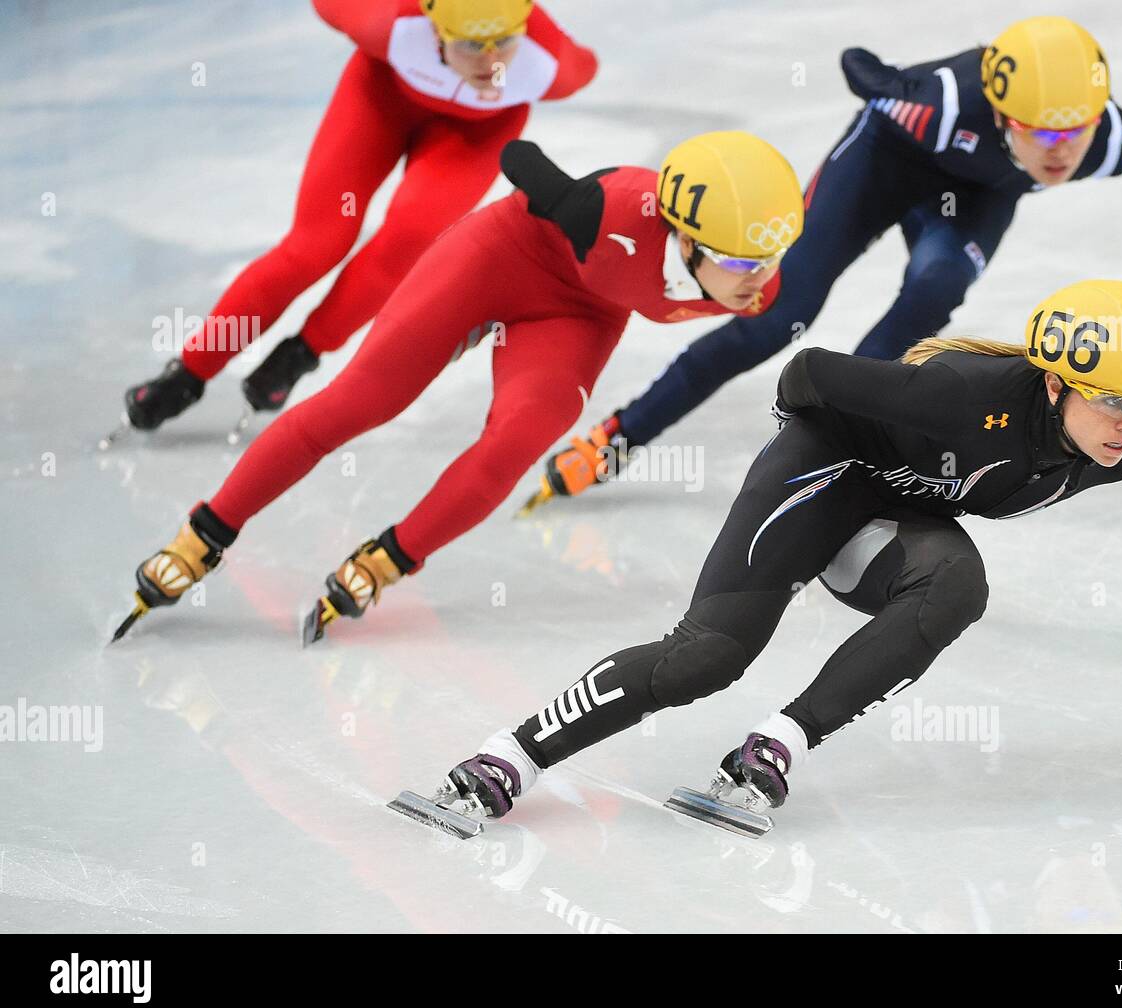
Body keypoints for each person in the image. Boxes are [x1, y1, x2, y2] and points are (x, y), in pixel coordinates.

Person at [411, 280, 1122, 834]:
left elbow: (945, 495)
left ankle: (771, 747)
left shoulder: (1107, 459)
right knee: (706, 658)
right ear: (1055, 384)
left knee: (957, 585)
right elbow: (809, 371)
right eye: (1113, 400)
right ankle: (507, 757)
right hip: (817, 475)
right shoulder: (961, 396)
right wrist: (790, 479)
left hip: (888, 514)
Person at [111, 131, 806, 643]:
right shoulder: (612, 213)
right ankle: (205, 534)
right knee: (362, 400)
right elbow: (520, 158)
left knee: (524, 434)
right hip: (497, 258)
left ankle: (389, 556)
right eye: (743, 257)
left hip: (577, 314)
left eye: (771, 255)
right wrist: (558, 196)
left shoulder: (753, 286)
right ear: (683, 237)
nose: (759, 276)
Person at [525, 16, 1122, 511]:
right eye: (1043, 135)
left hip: (974, 198)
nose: (1061, 153)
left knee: (937, 282)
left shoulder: (1109, 145)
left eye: (1075, 134)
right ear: (1002, 115)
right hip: (888, 162)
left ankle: (834, 433)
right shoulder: (941, 103)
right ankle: (622, 435)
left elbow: (1071, 138)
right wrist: (877, 78)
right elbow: (859, 65)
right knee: (777, 316)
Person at [117, 0, 596, 436]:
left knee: (410, 237)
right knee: (313, 248)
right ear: (434, 30)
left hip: (474, 138)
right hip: (379, 99)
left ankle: (303, 353)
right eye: (471, 44)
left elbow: (587, 65)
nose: (491, 63)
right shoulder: (387, 24)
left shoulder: (551, 65)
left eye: (505, 42)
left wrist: (311, 344)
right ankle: (189, 371)